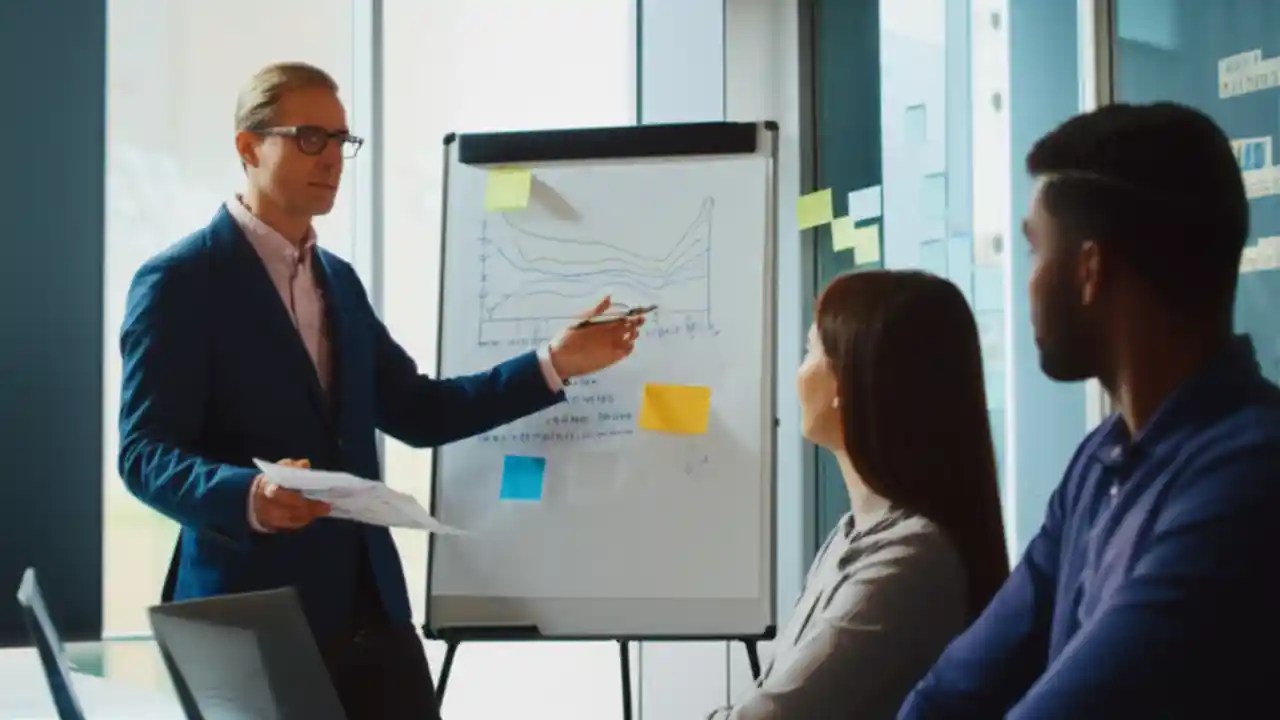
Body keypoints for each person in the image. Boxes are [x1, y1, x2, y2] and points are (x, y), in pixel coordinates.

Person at [117, 61, 642, 720]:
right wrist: (248, 495)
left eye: (341, 140)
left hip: (370, 611)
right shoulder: (181, 281)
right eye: (311, 138)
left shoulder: (338, 281)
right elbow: (144, 453)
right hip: (251, 616)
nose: (332, 158)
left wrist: (553, 362)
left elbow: (419, 411)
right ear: (248, 147)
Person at [899, 102, 1280, 719]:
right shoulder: (1099, 461)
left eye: (1035, 251)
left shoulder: (1249, 478)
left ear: (1088, 270)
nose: (1028, 282)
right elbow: (955, 687)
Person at [706, 271, 1009, 720]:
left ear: (844, 385)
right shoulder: (854, 532)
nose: (799, 372)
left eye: (810, 350)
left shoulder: (910, 560)